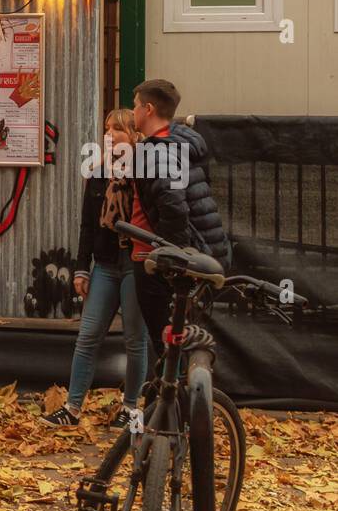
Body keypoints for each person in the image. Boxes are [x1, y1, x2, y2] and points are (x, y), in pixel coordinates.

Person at [41, 109, 149, 428]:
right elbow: (88, 226)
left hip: (134, 262)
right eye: (106, 129)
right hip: (104, 264)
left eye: (117, 129)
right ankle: (72, 408)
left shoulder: (146, 171)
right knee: (87, 336)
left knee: (135, 339)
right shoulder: (98, 173)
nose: (110, 134)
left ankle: (130, 408)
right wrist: (80, 268)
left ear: (132, 134)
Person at [128, 79, 231, 360]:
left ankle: (173, 401)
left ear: (148, 109)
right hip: (185, 253)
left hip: (159, 258)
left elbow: (174, 208)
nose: (132, 112)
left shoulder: (158, 152)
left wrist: (171, 264)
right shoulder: (179, 144)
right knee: (176, 340)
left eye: (135, 106)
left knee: (166, 344)